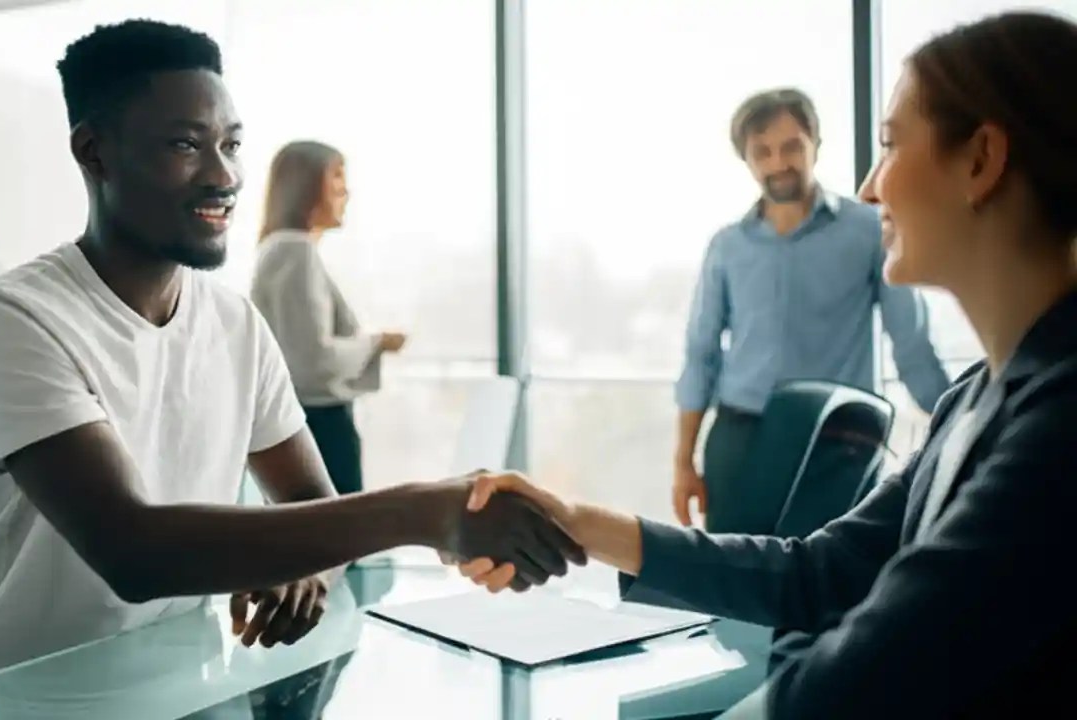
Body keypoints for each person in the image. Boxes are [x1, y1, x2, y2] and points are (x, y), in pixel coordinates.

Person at [0, 20, 583, 691]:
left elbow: (306, 498)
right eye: (185, 145)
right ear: (95, 151)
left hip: (187, 689)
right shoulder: (7, 317)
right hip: (19, 700)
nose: (225, 174)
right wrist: (427, 511)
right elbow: (131, 550)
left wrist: (305, 567)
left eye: (231, 144)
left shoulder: (235, 320)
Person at [459, 11, 1077, 718]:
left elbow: (874, 674)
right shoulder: (974, 400)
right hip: (743, 432)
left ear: (981, 160)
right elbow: (818, 573)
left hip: (838, 444)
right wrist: (580, 522)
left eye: (890, 144)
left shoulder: (1058, 428)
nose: (873, 186)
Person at [673, 88, 951, 533]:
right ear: (746, 160)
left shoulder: (867, 230)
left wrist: (963, 431)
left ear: (815, 145)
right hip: (740, 437)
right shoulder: (727, 247)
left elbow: (913, 344)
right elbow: (700, 354)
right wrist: (683, 462)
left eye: (791, 147)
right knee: (731, 585)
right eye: (761, 152)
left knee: (835, 585)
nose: (778, 163)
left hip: (839, 439)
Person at [251, 141, 406, 495]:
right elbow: (313, 361)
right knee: (338, 542)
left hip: (305, 425)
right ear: (304, 187)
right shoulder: (294, 252)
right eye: (335, 179)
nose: (346, 192)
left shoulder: (278, 250)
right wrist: (375, 343)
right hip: (320, 428)